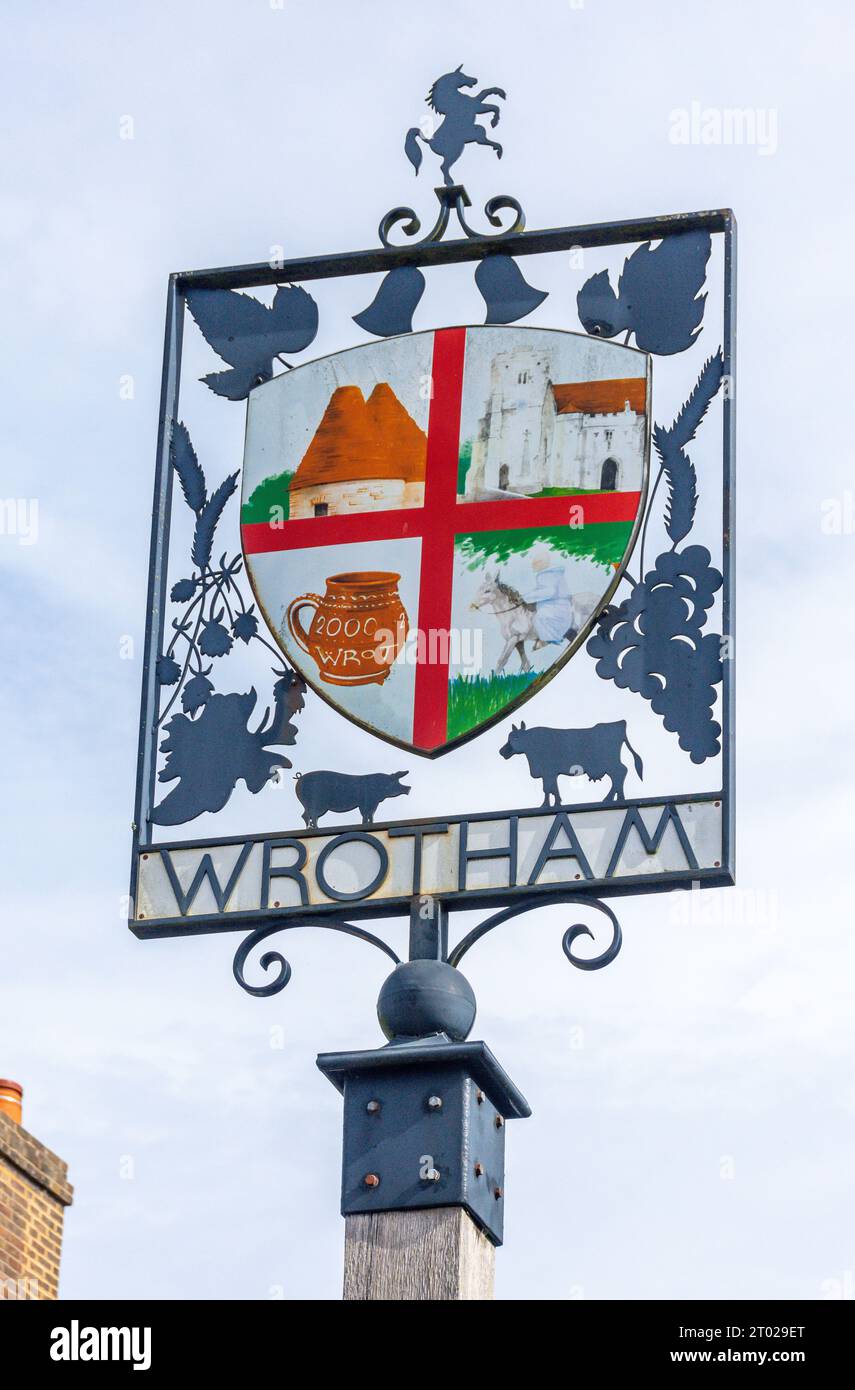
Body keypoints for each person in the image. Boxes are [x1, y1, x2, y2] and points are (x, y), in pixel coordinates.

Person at [524, 551, 577, 646]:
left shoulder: (546, 574)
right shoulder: (551, 573)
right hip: (561, 606)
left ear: (541, 563)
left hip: (556, 607)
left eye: (534, 563)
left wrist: (526, 597)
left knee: (539, 618)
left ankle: (554, 640)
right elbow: (541, 590)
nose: (532, 566)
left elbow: (549, 592)